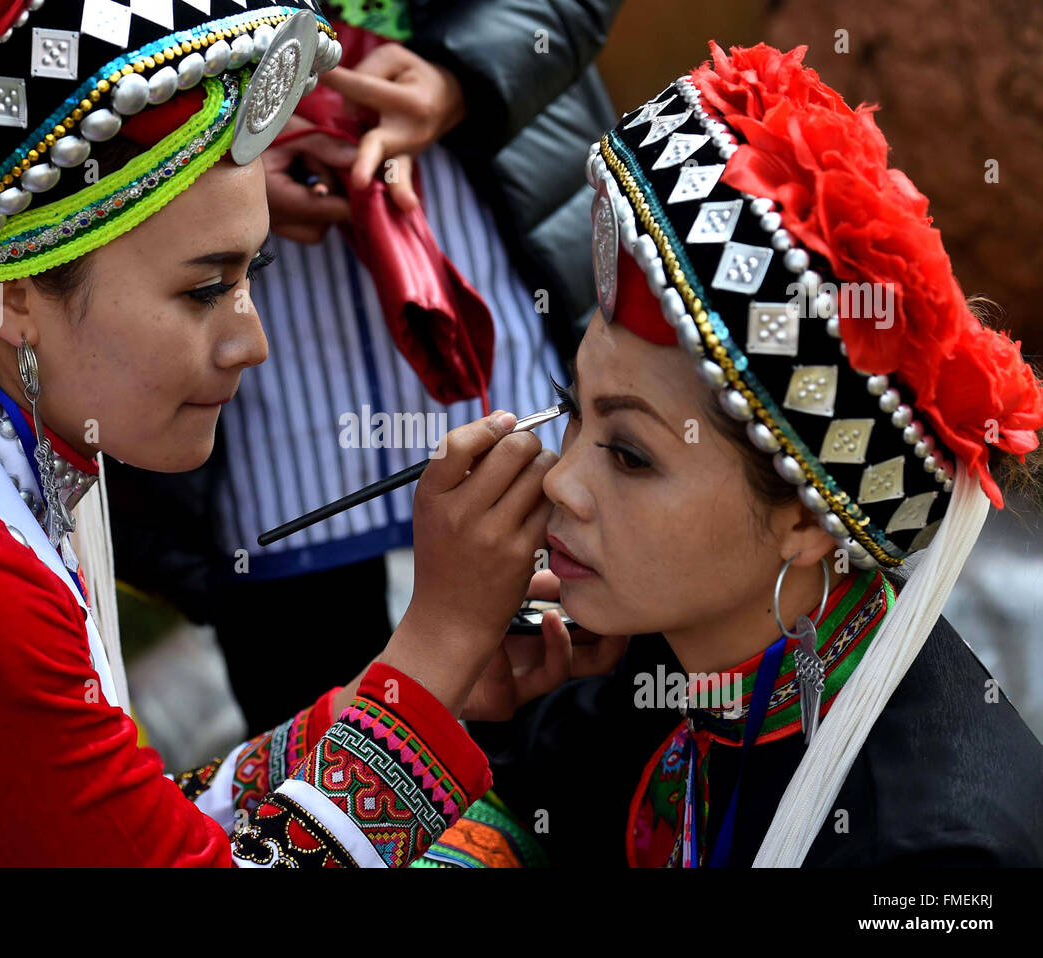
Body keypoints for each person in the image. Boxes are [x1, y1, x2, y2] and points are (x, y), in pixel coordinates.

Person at [0, 0, 562, 868]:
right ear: (13, 298)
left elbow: (131, 822)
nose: (255, 342)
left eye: (256, 275)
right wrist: (434, 651)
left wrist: (427, 683)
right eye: (204, 291)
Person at [429, 41, 1043, 867]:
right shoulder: (653, 661)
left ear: (804, 521)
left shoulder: (937, 857)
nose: (561, 480)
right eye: (575, 413)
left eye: (632, 456)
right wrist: (459, 695)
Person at [105, 0, 624, 732]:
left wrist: (463, 74)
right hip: (264, 411)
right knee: (320, 764)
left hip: (498, 289)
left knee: (573, 728)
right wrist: (211, 154)